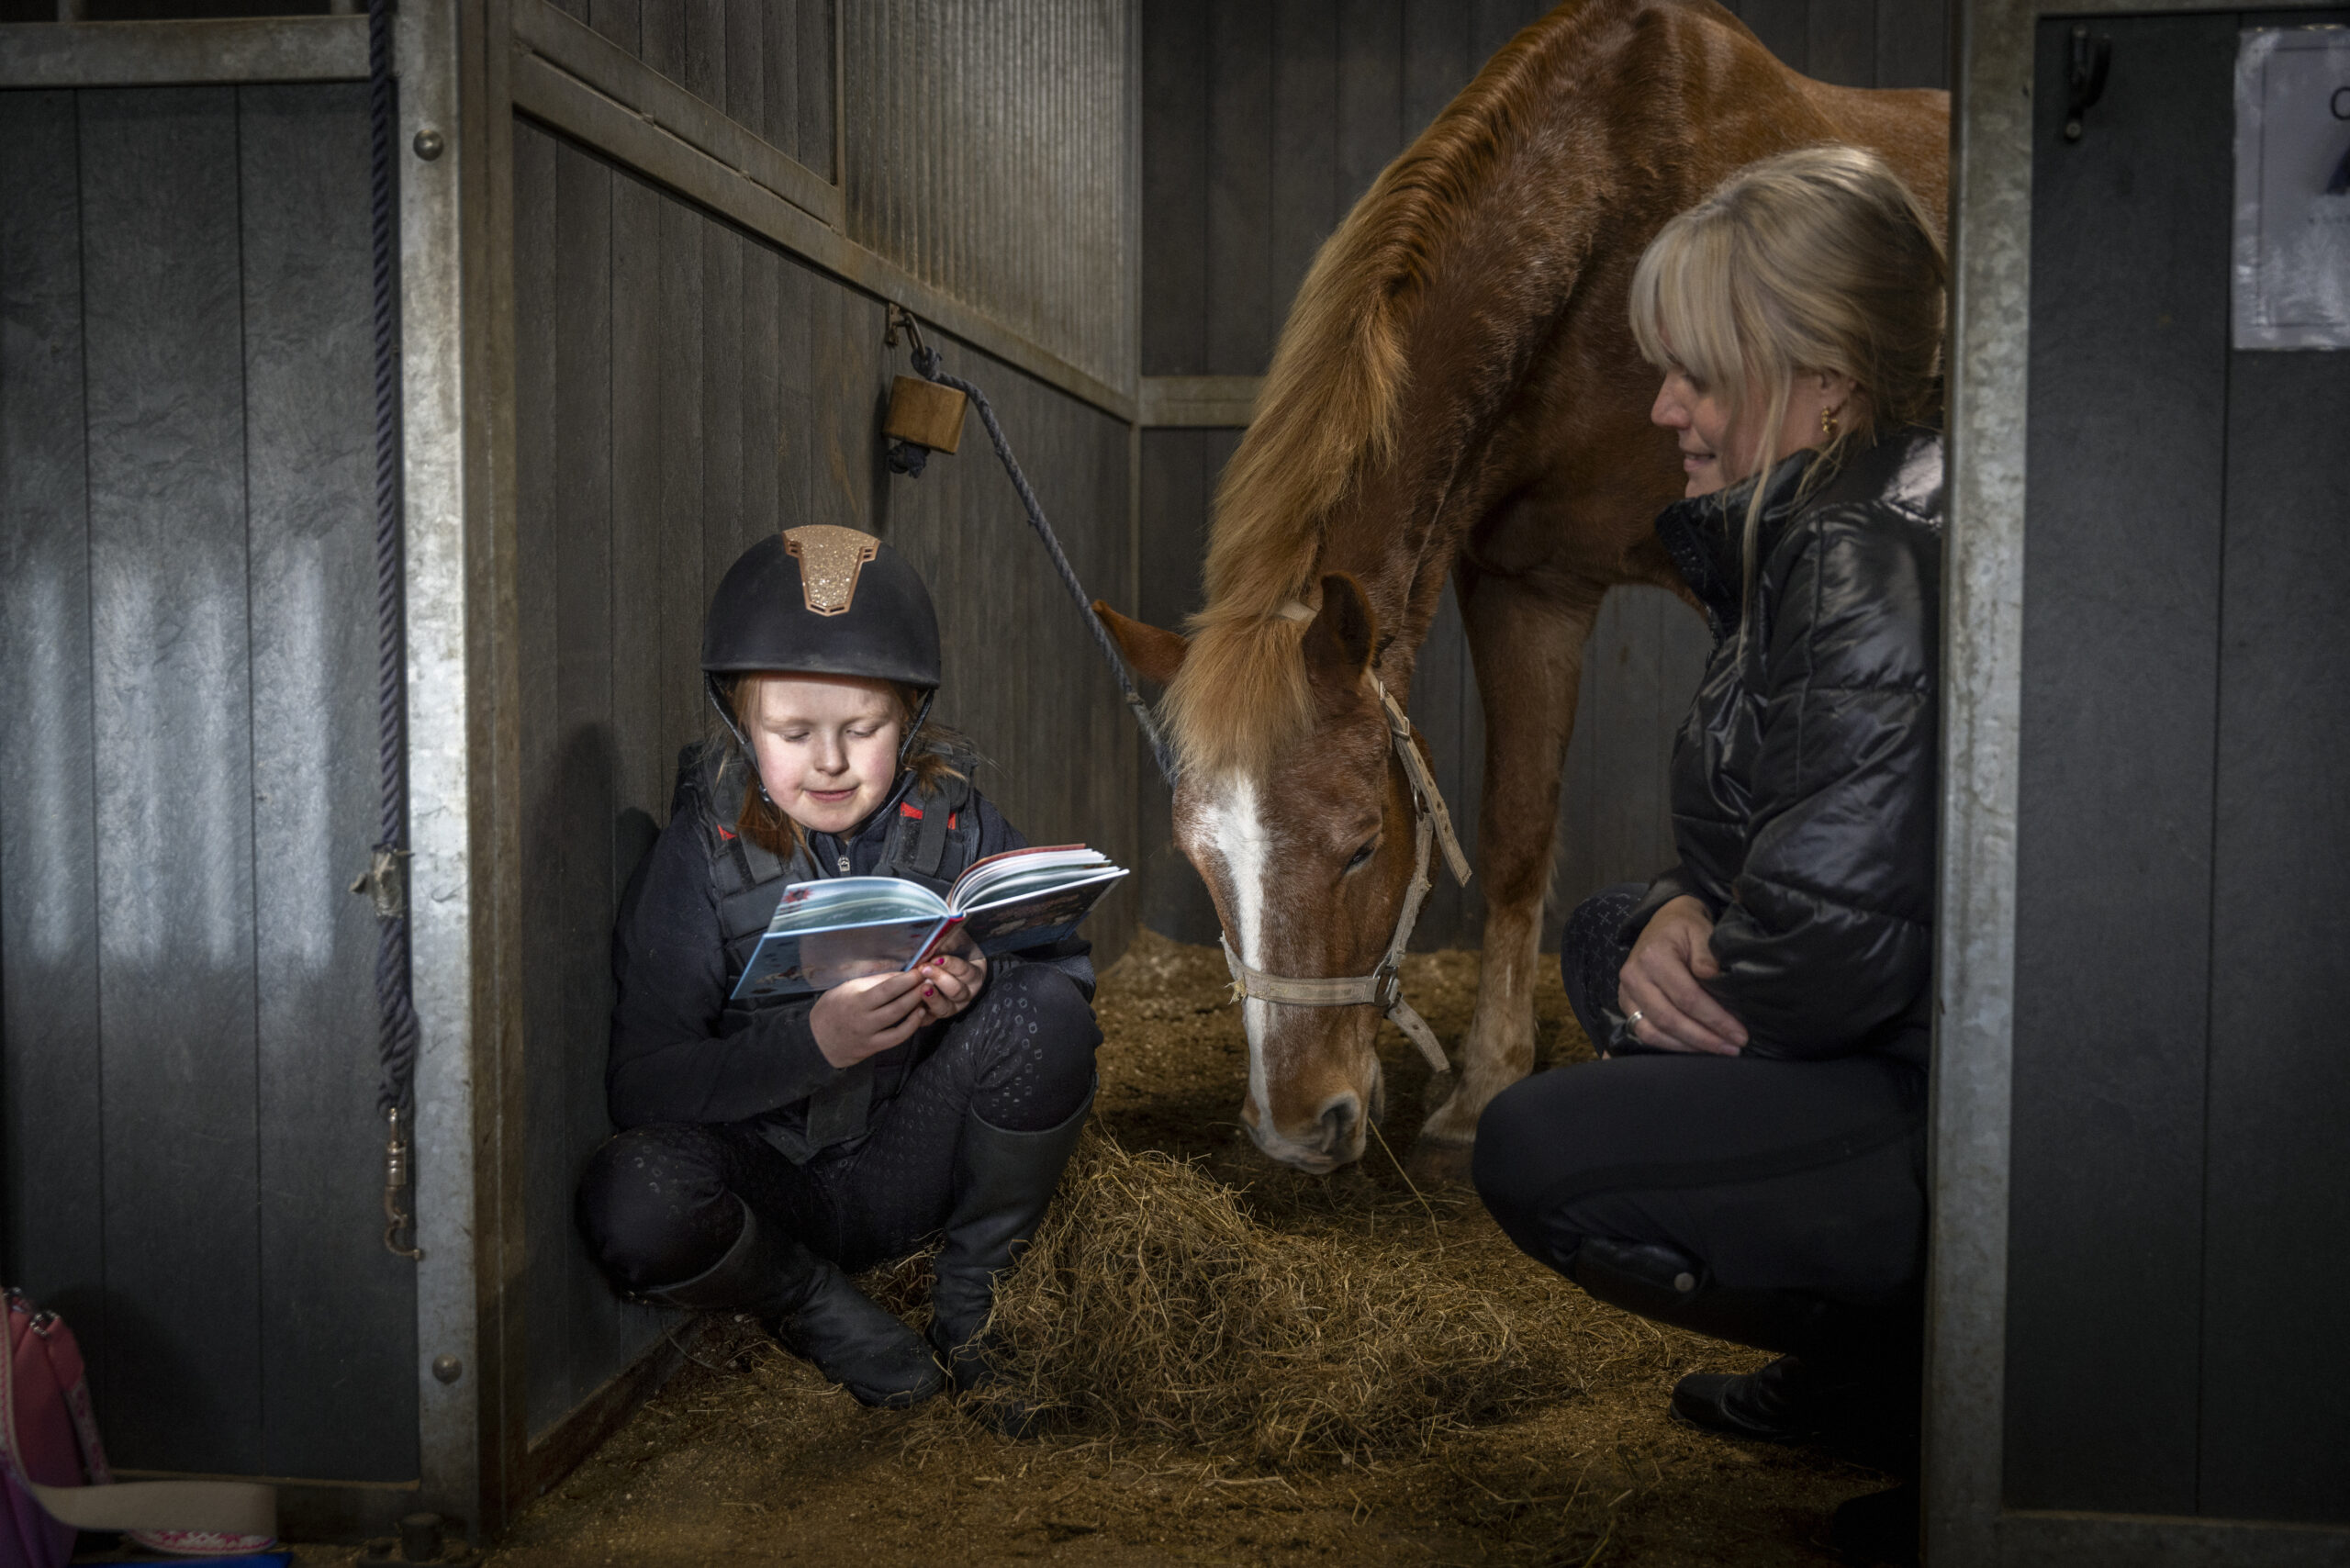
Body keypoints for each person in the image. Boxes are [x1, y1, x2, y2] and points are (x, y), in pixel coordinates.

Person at [1472, 146, 1946, 1555]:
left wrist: (1675, 973)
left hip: (1957, 1104)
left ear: (1828, 381)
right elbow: (1818, 850)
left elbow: (1831, 952)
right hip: (1929, 1050)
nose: (1665, 407)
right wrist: (1668, 916)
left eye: (1702, 373)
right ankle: (1871, 1369)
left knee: (1540, 1149)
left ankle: (1911, 1382)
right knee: (1611, 945)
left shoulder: (1852, 553)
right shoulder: (1850, 519)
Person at [576, 522, 1101, 1426]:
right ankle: (816, 1306)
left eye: (863, 729)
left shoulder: (958, 822)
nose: (828, 761)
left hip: (911, 1162)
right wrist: (815, 1044)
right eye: (792, 731)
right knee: (633, 1194)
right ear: (741, 724)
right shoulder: (697, 857)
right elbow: (643, 1084)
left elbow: (1063, 981)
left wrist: (978, 977)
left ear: (912, 718)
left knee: (1044, 1009)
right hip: (773, 1189)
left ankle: (974, 1307)